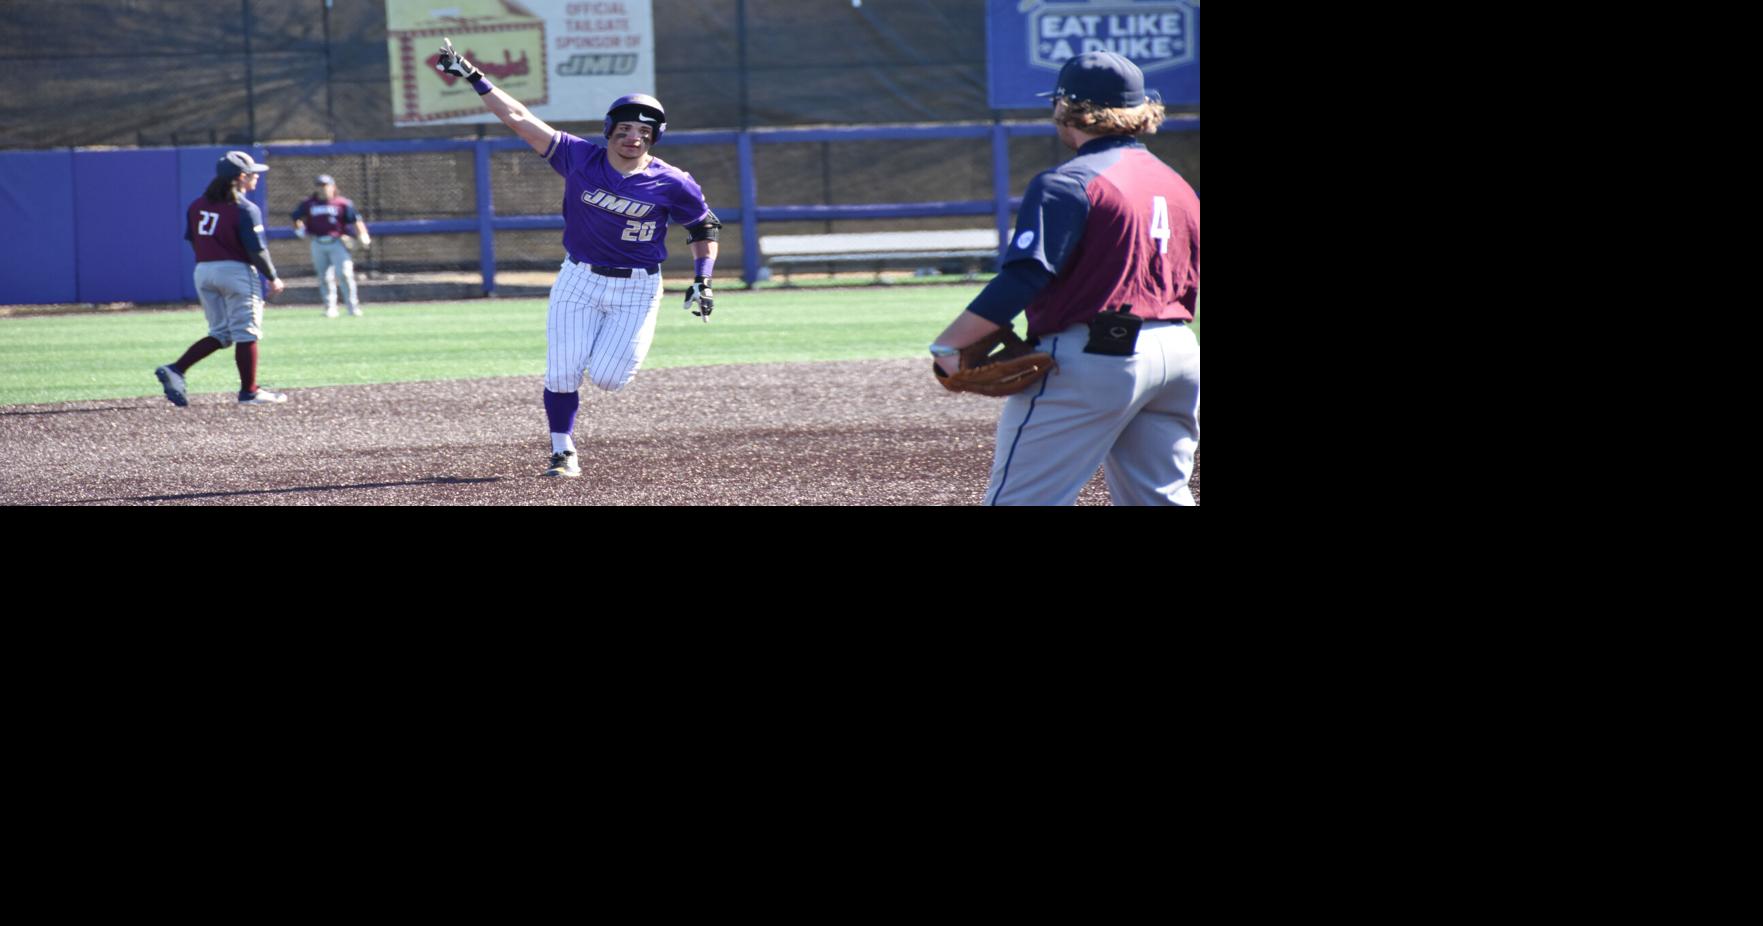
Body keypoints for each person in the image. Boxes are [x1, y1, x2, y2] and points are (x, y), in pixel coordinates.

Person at [434, 38, 722, 478]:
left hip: (638, 287)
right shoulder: (578, 157)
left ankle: (598, 375)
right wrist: (474, 76)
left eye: (644, 132)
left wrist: (703, 279)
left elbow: (703, 226)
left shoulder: (672, 182)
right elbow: (519, 118)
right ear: (609, 130)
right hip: (579, 279)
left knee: (609, 378)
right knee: (563, 371)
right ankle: (562, 450)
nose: (634, 137)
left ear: (654, 138)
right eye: (626, 129)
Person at [931, 51, 1200, 505]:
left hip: (1096, 357)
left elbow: (1026, 275)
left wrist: (949, 345)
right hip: (1179, 354)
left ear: (1067, 108)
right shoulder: (1178, 185)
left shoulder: (1069, 181)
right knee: (1158, 499)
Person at [155, 150, 289, 407]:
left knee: (222, 333)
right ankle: (250, 391)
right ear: (240, 177)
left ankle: (176, 369)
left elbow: (193, 241)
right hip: (235, 271)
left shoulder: (197, 205)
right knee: (246, 332)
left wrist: (212, 261)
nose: (256, 178)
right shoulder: (245, 208)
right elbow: (256, 249)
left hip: (204, 270)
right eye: (252, 174)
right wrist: (272, 277)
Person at [290, 174, 372, 317]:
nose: (323, 189)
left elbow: (355, 220)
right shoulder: (309, 203)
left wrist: (363, 235)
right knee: (324, 276)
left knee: (345, 274)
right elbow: (296, 216)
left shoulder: (342, 203)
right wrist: (300, 229)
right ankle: (330, 307)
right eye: (320, 186)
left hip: (338, 242)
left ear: (333, 187)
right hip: (318, 241)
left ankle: (352, 307)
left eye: (326, 185)